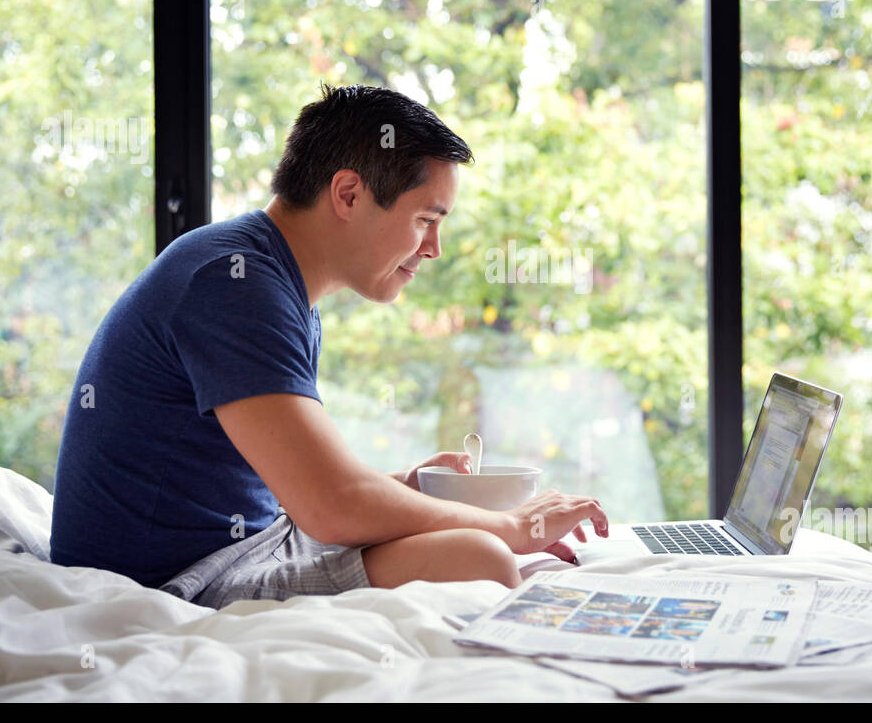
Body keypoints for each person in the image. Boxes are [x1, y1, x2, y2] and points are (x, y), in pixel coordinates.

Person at [49, 84, 608, 608]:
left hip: (244, 541)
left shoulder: (263, 275)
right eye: (425, 219)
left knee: (465, 534)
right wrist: (513, 527)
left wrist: (407, 487)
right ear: (348, 193)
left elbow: (297, 488)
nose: (434, 247)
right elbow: (329, 505)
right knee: (481, 554)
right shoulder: (234, 283)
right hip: (180, 577)